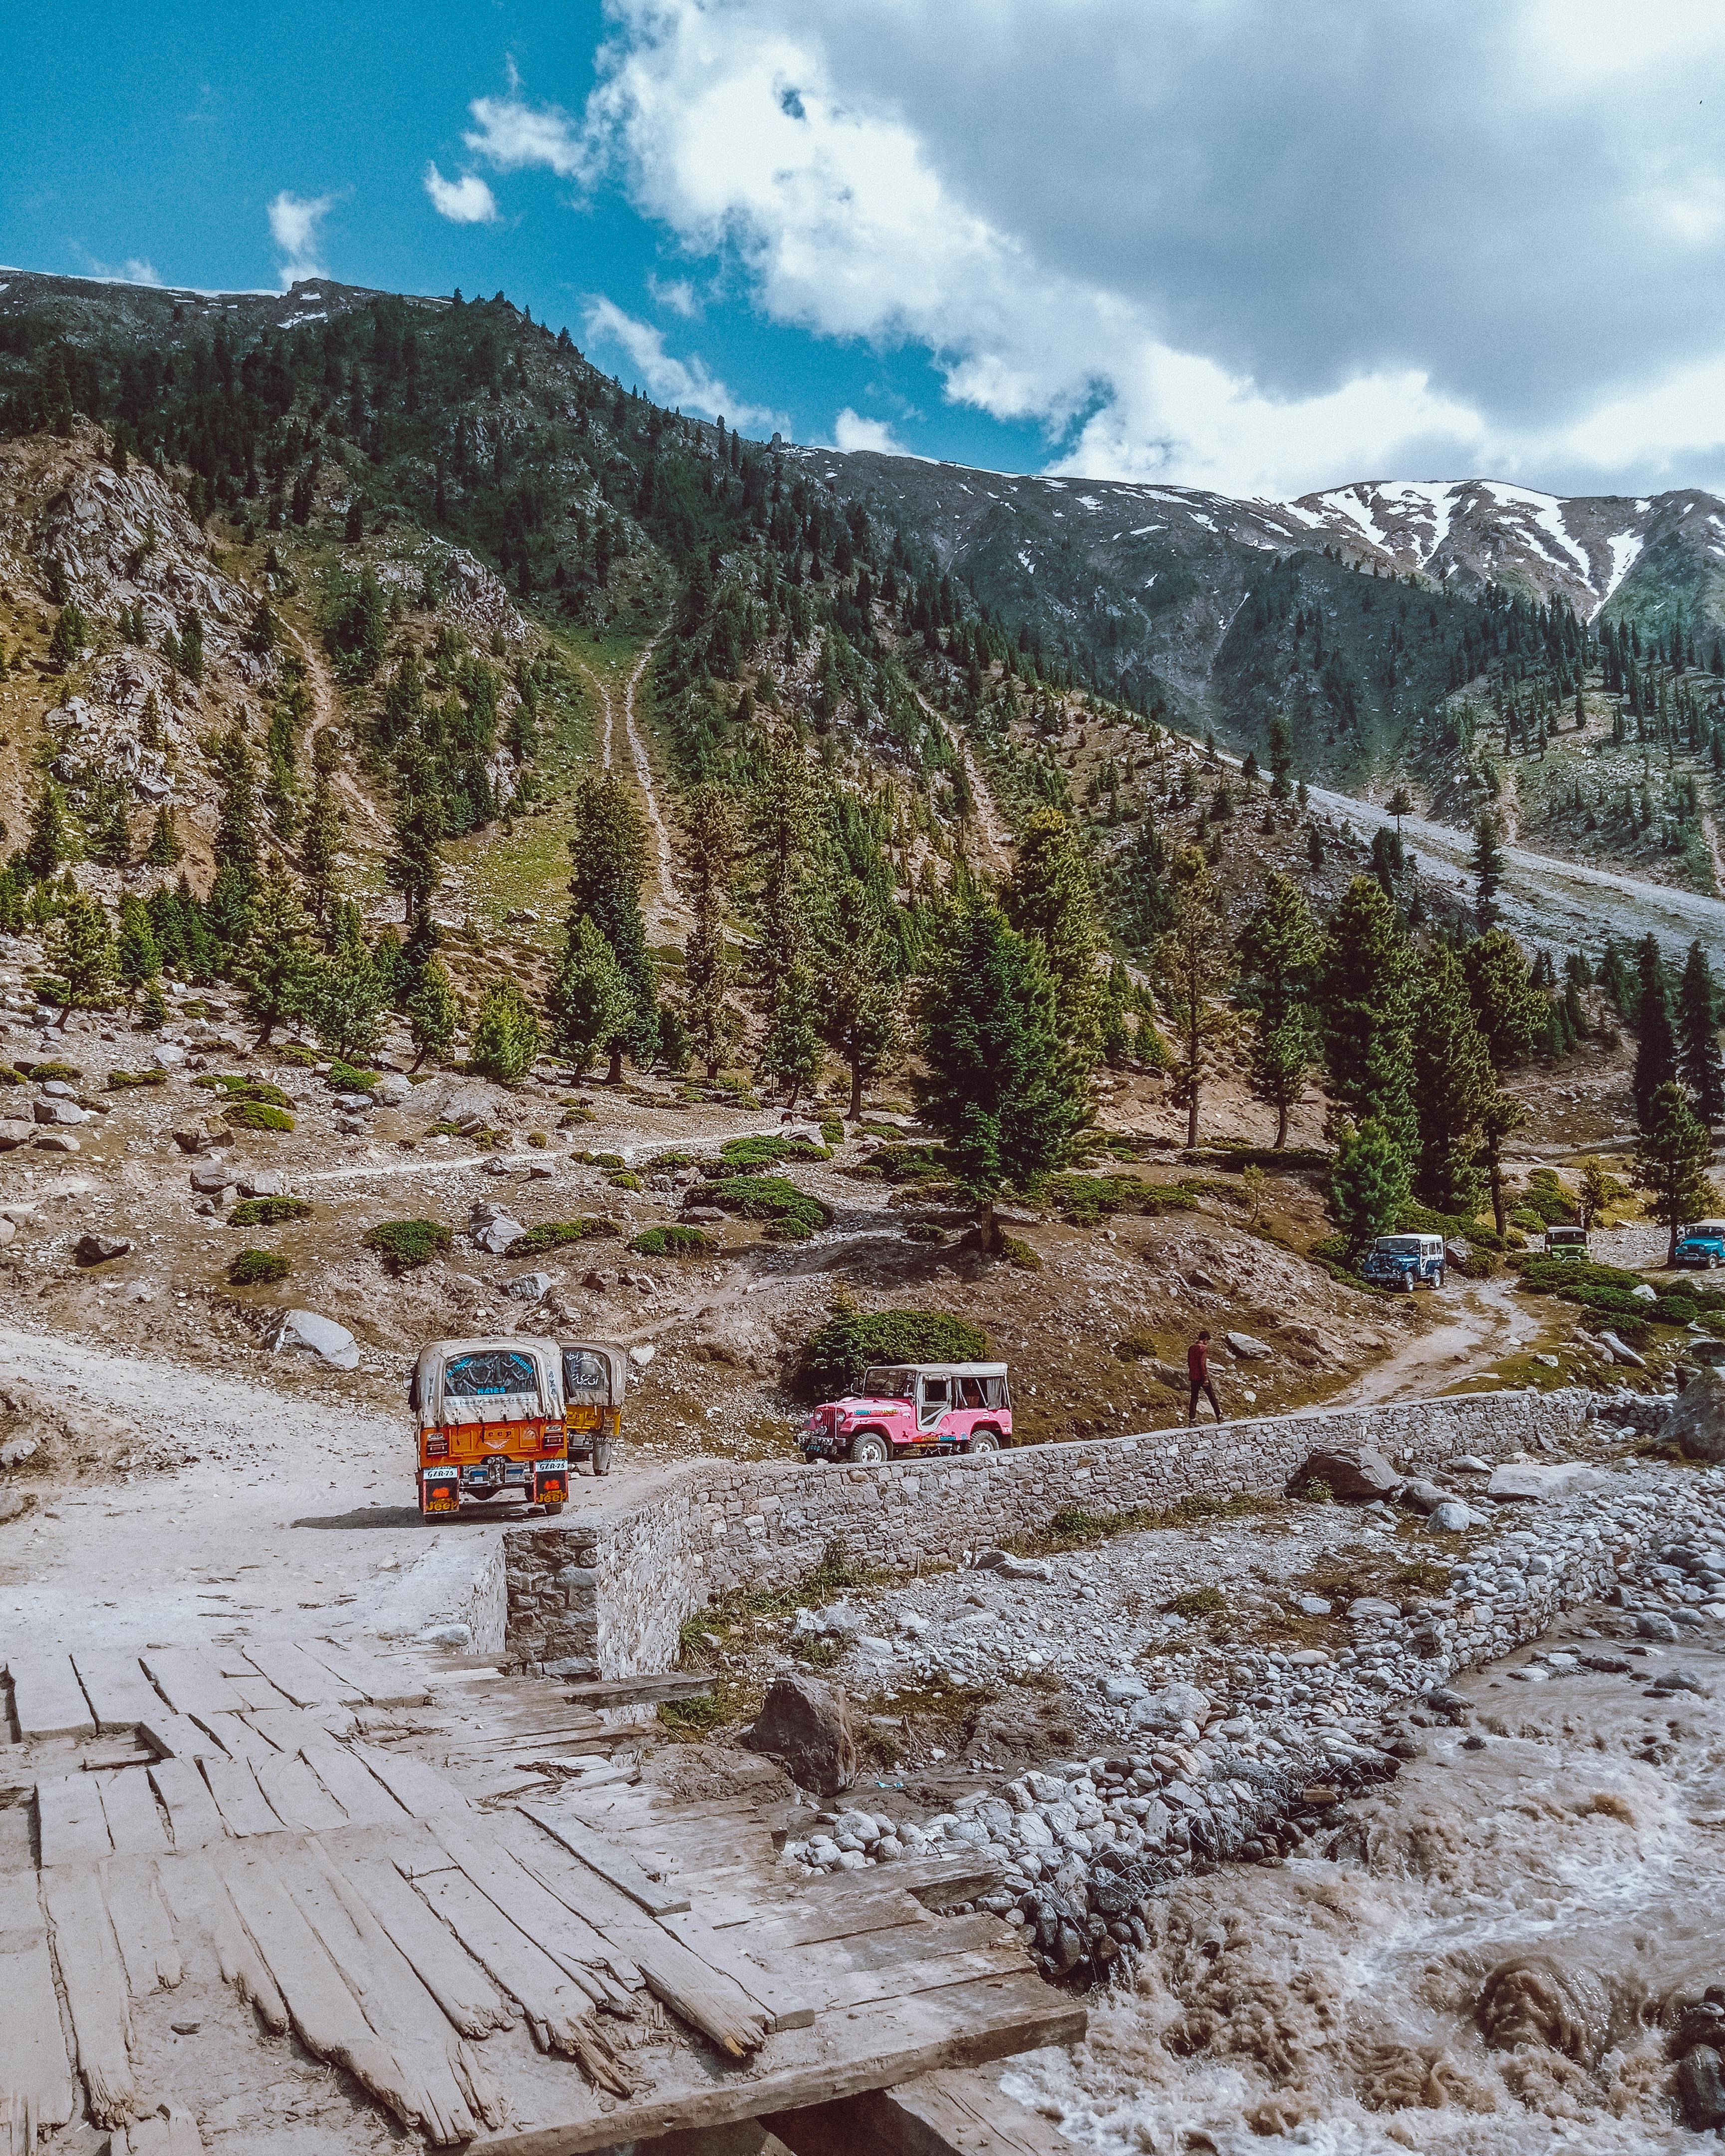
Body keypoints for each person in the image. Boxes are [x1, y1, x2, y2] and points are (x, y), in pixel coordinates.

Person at [1187, 1329, 1222, 1425]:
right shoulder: (1203, 1348)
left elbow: (1189, 1363)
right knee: (1211, 1396)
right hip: (1202, 1377)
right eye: (1208, 1341)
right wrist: (1205, 1378)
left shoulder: (1191, 1348)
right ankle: (1219, 1416)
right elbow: (1203, 1364)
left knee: (1194, 1398)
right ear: (1206, 1339)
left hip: (1193, 1377)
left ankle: (1192, 1420)